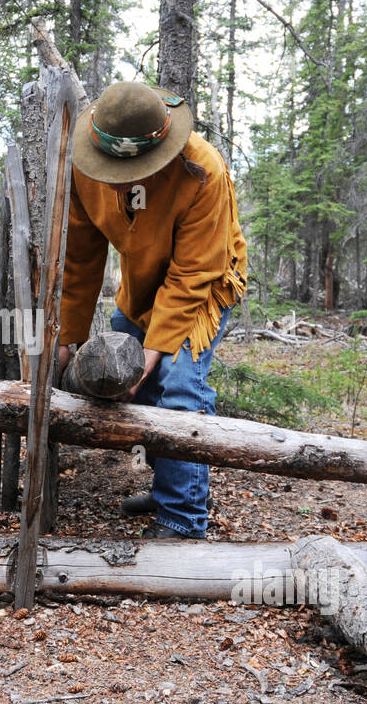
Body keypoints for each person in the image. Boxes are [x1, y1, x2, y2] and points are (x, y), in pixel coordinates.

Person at [58, 80, 247, 539]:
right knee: (135, 390)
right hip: (141, 288)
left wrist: (155, 352)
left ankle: (182, 521)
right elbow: (81, 260)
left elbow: (191, 276)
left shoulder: (203, 170)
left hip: (203, 286)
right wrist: (68, 337)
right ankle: (175, 485)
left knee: (179, 386)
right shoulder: (85, 167)